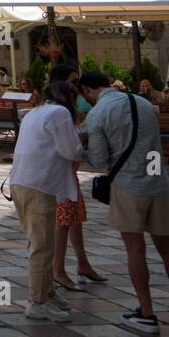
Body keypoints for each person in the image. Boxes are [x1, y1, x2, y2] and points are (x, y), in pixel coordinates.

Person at [80, 71, 169, 332]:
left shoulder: (98, 114)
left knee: (135, 249)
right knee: (168, 248)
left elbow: (97, 161)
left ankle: (147, 312)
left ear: (86, 90)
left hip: (128, 184)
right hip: (157, 180)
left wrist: (84, 145)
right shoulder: (143, 103)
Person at [4, 81, 86, 321]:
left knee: (41, 243)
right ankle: (37, 302)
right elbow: (72, 151)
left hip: (22, 182)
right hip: (39, 184)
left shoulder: (35, 112)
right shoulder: (59, 113)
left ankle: (47, 292)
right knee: (41, 246)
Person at [45, 79, 107, 292]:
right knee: (62, 223)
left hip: (70, 179)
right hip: (61, 180)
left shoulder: (58, 115)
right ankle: (58, 270)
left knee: (74, 220)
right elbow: (69, 150)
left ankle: (83, 264)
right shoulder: (59, 116)